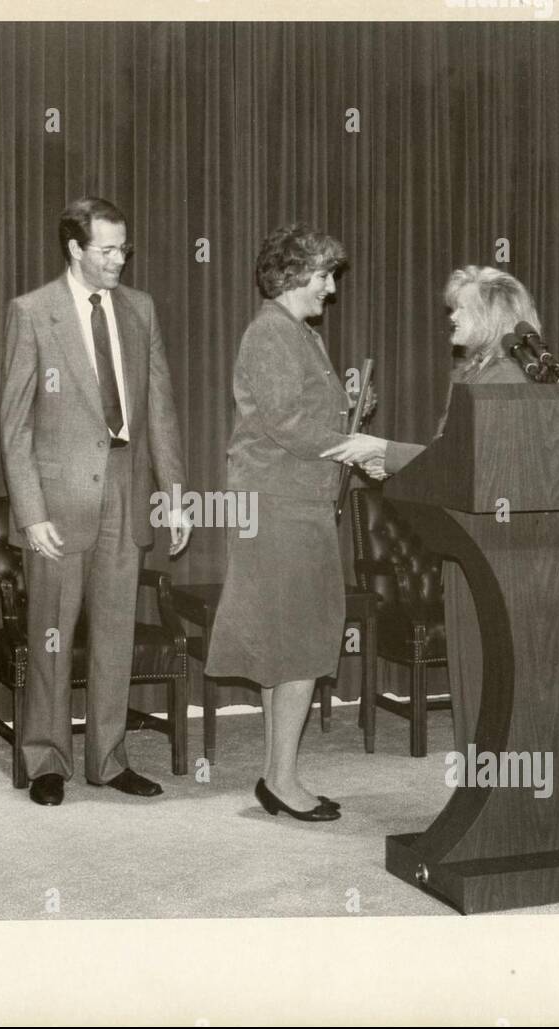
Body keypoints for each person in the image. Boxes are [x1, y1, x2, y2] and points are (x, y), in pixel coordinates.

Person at [0, 197, 191, 806]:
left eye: (123, 248)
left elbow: (160, 409)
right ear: (75, 249)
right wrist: (30, 514)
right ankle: (45, 759)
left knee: (115, 636)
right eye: (106, 250)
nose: (118, 260)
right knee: (51, 635)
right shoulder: (32, 312)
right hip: (57, 502)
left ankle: (108, 760)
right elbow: (14, 425)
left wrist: (177, 497)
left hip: (126, 495)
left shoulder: (140, 310)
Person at [205, 224, 385, 822]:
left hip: (292, 503)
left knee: (289, 642)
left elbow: (302, 418)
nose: (331, 288)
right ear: (291, 276)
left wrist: (350, 411)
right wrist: (358, 443)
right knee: (302, 642)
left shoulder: (295, 334)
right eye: (324, 276)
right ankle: (282, 780)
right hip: (280, 507)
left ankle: (277, 776)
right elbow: (288, 427)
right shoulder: (273, 334)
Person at [333, 265, 540, 754]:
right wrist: (394, 462)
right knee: (473, 671)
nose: (450, 316)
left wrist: (383, 448)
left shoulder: (504, 378)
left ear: (490, 316)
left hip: (489, 546)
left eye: (459, 307)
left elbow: (470, 465)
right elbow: (450, 456)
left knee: (484, 671)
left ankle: (492, 781)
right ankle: (481, 782)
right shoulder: (476, 372)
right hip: (468, 543)